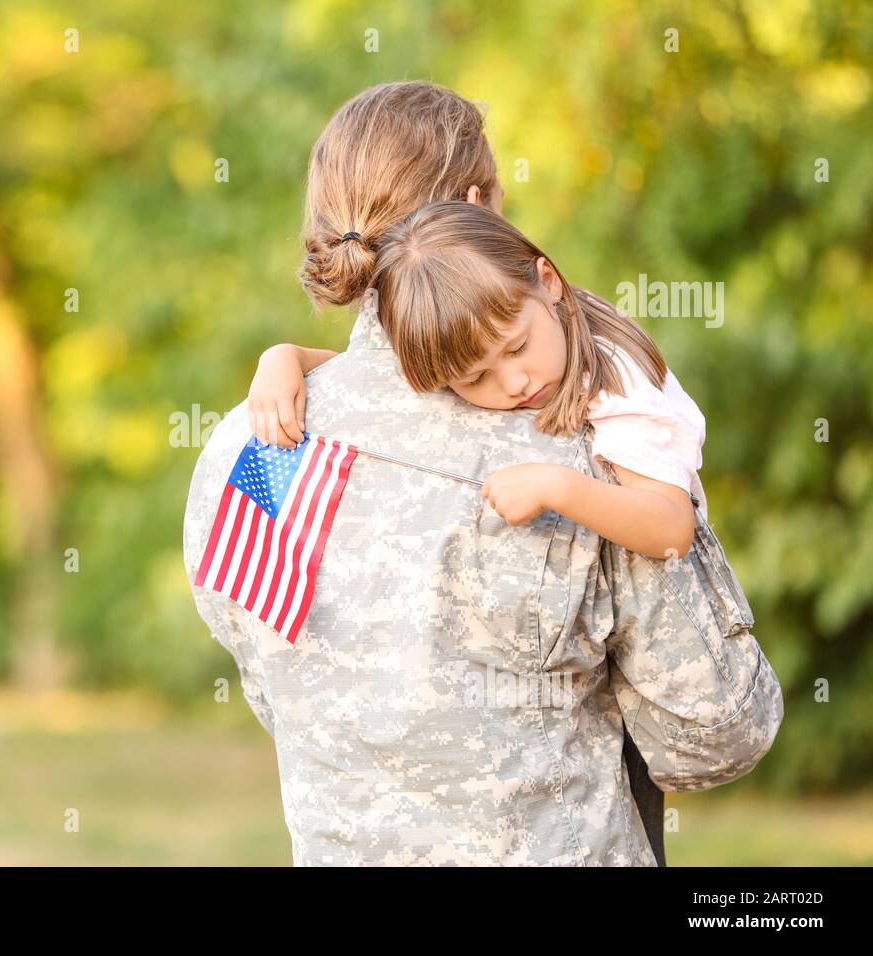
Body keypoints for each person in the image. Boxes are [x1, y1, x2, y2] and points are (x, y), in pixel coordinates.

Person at [182, 80, 783, 865]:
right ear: (479, 204)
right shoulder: (584, 460)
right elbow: (714, 734)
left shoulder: (251, 444)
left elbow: (276, 683)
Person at [248, 200, 708, 562]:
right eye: (475, 377)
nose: (513, 383)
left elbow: (672, 530)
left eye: (517, 348)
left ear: (547, 281)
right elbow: (377, 382)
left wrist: (558, 487)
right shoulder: (511, 327)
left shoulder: (612, 376)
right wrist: (287, 357)